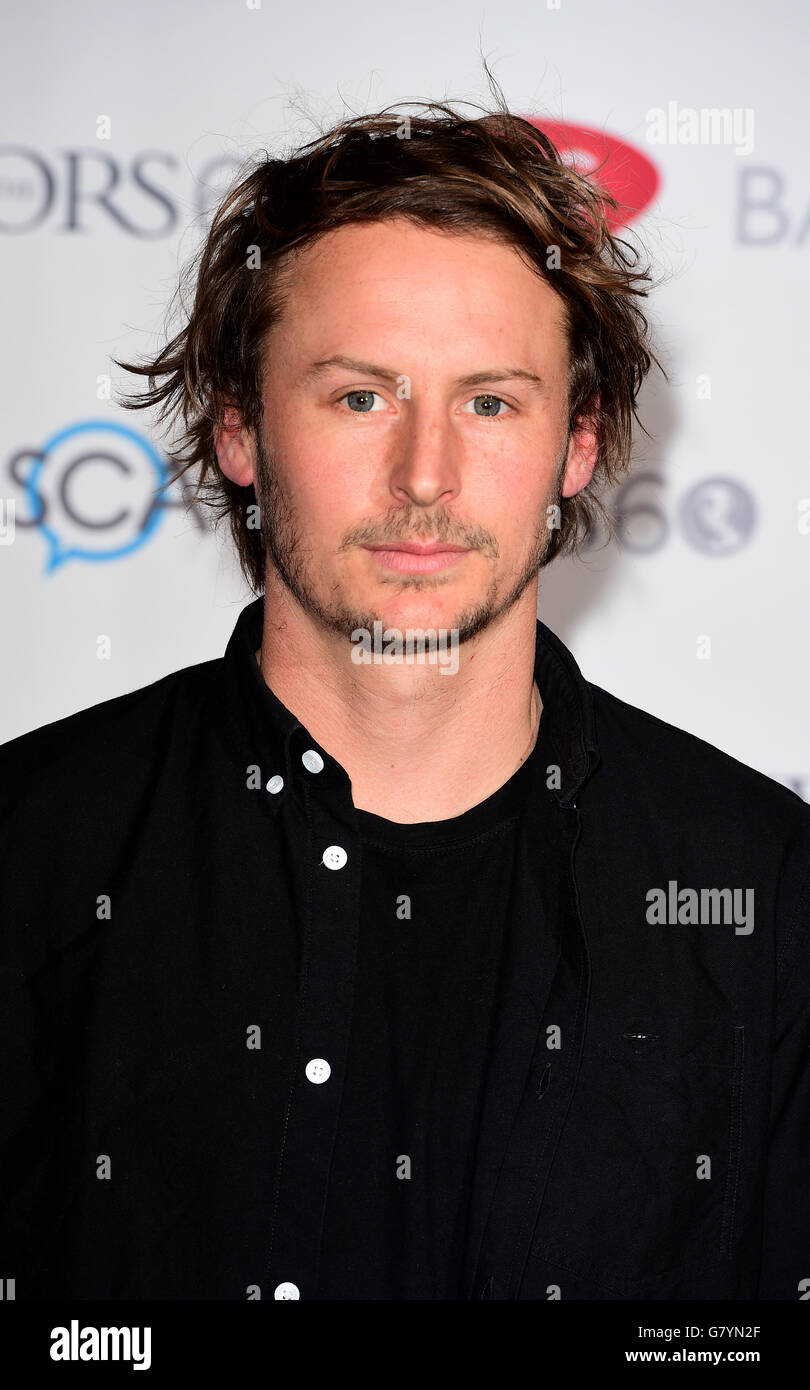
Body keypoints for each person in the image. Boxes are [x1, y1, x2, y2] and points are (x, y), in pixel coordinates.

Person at [1, 90, 807, 1302]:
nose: (424, 474)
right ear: (237, 425)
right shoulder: (29, 853)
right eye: (359, 395)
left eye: (490, 402)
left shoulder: (766, 890)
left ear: (577, 446)